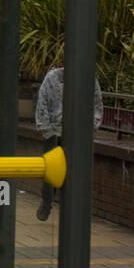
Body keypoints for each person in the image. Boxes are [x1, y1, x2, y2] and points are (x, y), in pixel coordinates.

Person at [34, 59, 103, 221]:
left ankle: (72, 208)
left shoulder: (89, 79)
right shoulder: (51, 78)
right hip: (54, 132)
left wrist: (91, 127)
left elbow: (97, 103)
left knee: (74, 172)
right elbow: (42, 101)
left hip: (77, 135)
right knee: (49, 172)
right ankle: (46, 203)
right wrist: (46, 128)